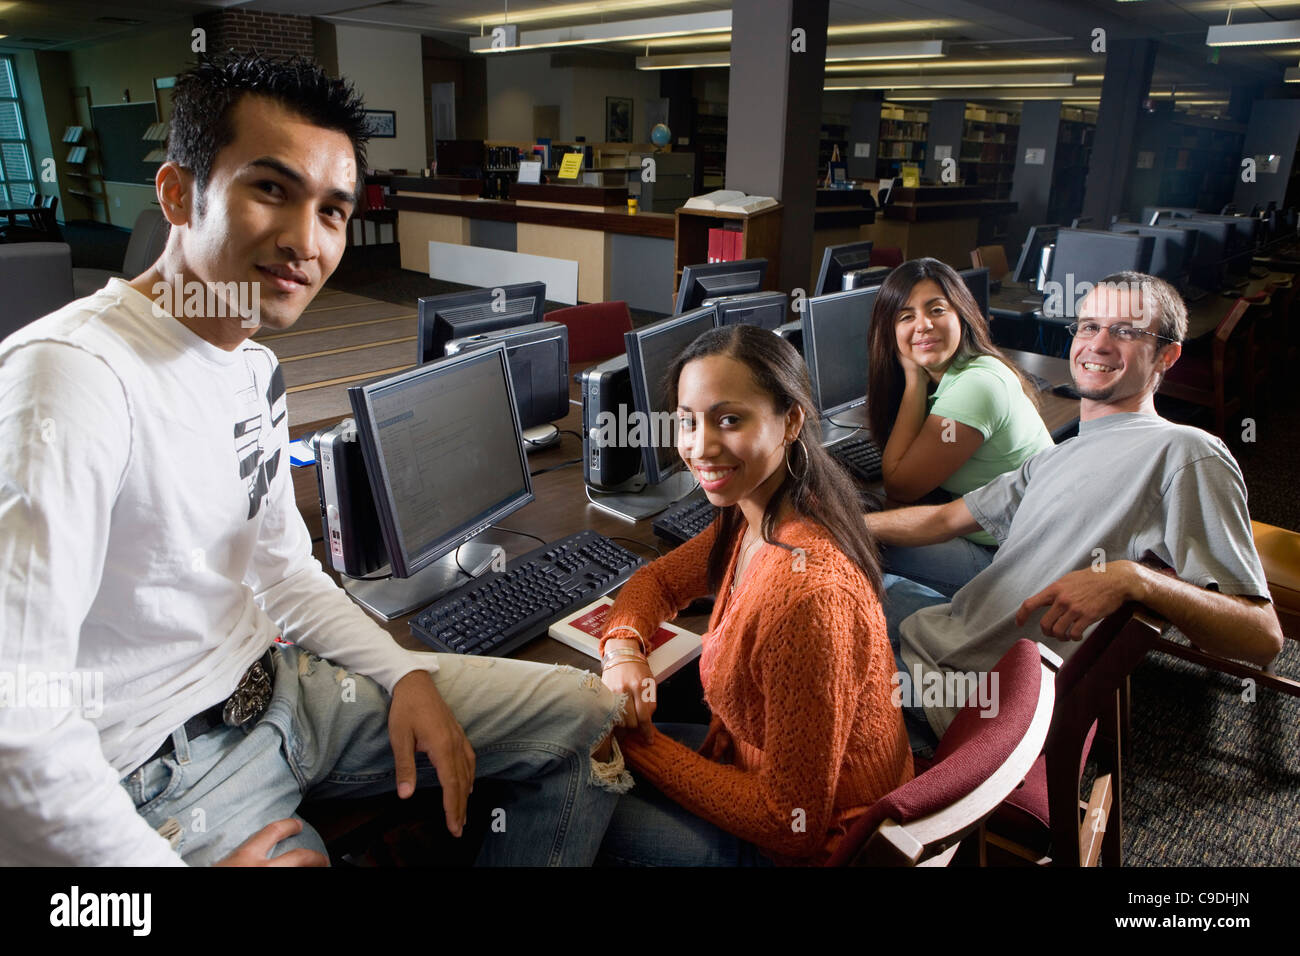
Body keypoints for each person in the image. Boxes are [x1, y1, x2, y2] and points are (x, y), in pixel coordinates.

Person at [0, 53, 630, 867]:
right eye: (271, 189)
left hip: (286, 692)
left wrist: (402, 673)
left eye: (333, 210)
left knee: (586, 715)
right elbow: (17, 711)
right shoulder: (72, 377)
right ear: (178, 194)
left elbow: (283, 571)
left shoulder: (251, 365)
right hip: (159, 775)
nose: (306, 240)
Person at [868, 272, 1283, 747]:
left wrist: (1136, 579)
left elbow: (1261, 636)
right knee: (839, 571)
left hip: (963, 693)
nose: (1099, 345)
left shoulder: (1185, 452)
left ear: (1167, 355)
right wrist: (843, 524)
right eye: (1088, 327)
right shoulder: (1057, 456)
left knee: (790, 630)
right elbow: (942, 519)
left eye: (1126, 331)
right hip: (950, 633)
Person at [596, 324, 912, 866]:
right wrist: (623, 646)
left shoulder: (808, 595)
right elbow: (658, 581)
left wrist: (630, 745)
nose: (700, 446)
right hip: (753, 774)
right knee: (570, 756)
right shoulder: (762, 511)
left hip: (812, 848)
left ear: (790, 421)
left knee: (567, 790)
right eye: (687, 422)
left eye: (729, 420)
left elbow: (790, 824)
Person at [865, 258, 1052, 597]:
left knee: (850, 540)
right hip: (1004, 541)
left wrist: (912, 380)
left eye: (936, 310)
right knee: (862, 513)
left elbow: (900, 485)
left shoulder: (975, 386)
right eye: (906, 316)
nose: (923, 325)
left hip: (1009, 562)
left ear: (961, 315)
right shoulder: (965, 371)